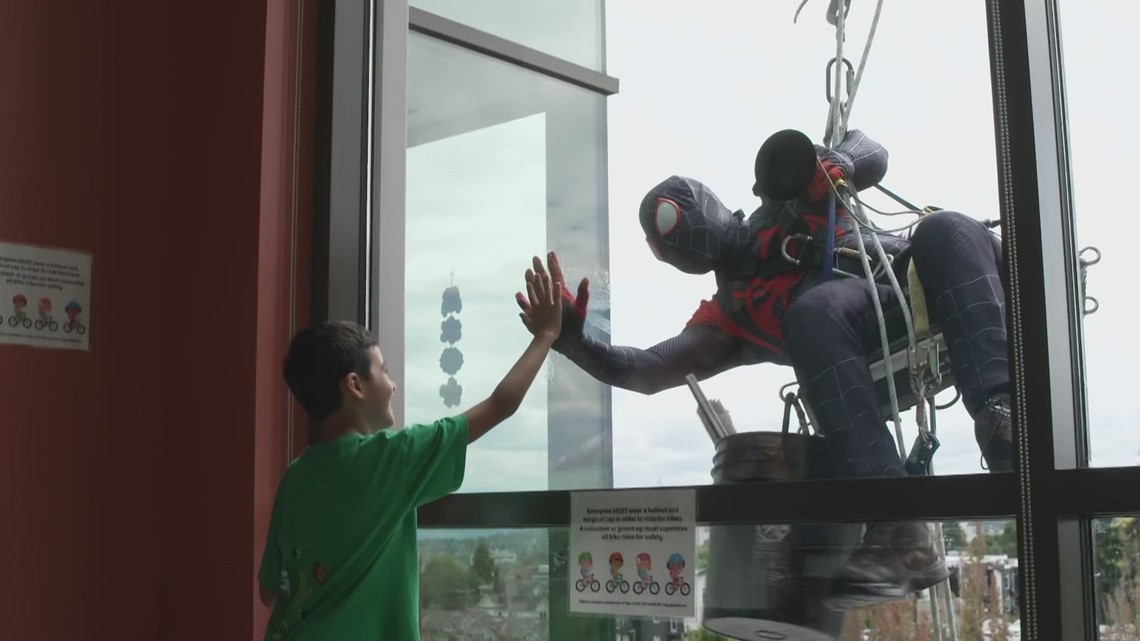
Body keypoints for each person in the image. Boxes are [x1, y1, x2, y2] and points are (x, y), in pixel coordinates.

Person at [515, 129, 1012, 610]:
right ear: (664, 257)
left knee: (946, 227)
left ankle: (1002, 420)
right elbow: (647, 369)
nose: (683, 231)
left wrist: (839, 161)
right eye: (667, 236)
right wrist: (571, 341)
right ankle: (898, 527)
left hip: (930, 281)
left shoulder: (793, 194)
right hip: (867, 342)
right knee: (814, 312)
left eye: (682, 208)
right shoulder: (729, 319)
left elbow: (873, 151)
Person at [257, 256, 563, 641]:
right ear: (355, 385)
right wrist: (547, 334)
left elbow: (269, 591)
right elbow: (501, 404)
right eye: (384, 370)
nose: (393, 383)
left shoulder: (296, 476)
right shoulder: (390, 458)